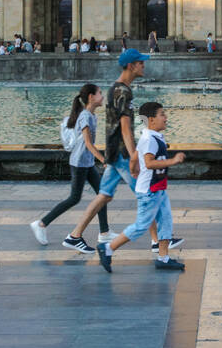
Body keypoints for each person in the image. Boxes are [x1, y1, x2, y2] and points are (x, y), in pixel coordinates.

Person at [63, 50, 180, 253]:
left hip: (115, 154)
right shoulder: (123, 91)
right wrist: (136, 157)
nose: (144, 66)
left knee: (105, 196)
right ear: (131, 66)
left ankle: (75, 235)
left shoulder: (119, 89)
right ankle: (159, 241)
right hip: (123, 155)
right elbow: (125, 127)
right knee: (149, 193)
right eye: (140, 63)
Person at [96, 102, 187, 273]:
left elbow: (135, 157)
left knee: (166, 220)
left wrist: (133, 169)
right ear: (151, 120)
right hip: (149, 192)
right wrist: (173, 161)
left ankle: (163, 258)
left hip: (158, 188)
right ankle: (108, 248)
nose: (166, 117)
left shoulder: (151, 135)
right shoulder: (149, 139)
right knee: (141, 226)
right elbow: (149, 162)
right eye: (162, 114)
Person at [32, 84, 106, 245]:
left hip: (86, 162)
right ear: (91, 97)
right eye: (100, 93)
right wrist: (102, 159)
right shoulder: (85, 116)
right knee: (75, 198)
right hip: (79, 162)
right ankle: (41, 223)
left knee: (102, 194)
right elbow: (87, 143)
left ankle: (105, 232)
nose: (103, 96)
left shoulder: (92, 116)